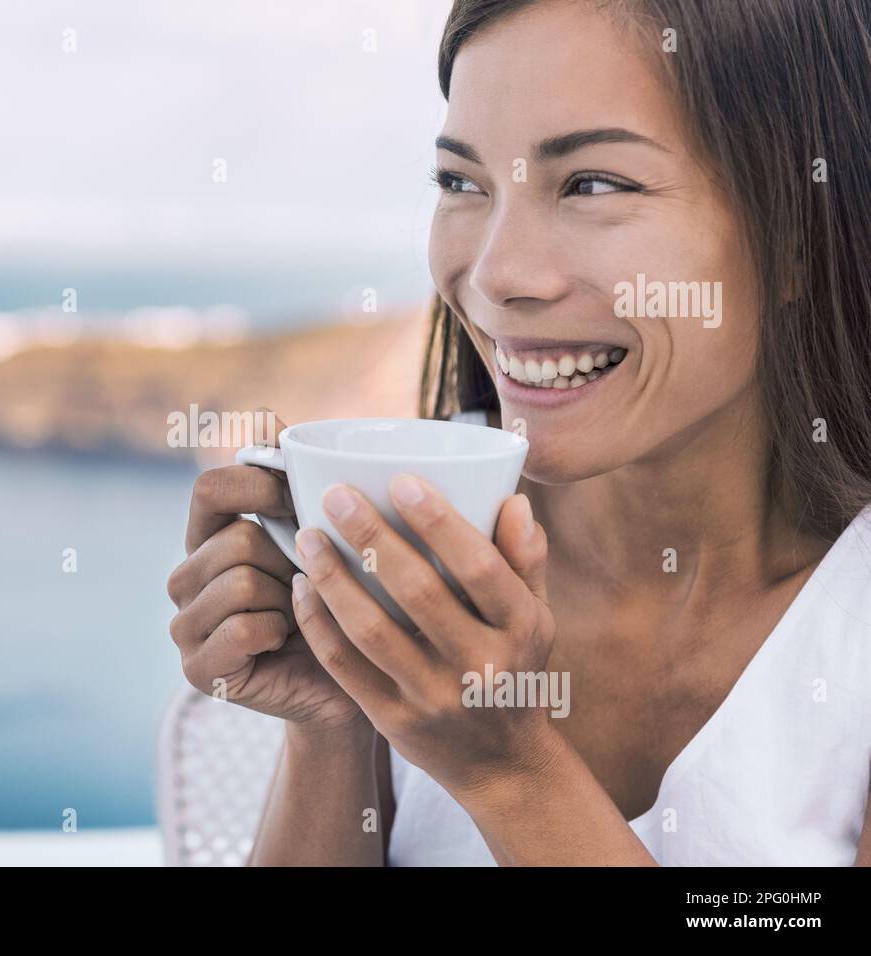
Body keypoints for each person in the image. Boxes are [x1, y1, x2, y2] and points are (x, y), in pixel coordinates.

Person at [166, 0, 871, 865]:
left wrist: (511, 771)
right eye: (462, 183)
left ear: (801, 233)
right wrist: (337, 713)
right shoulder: (411, 550)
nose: (498, 273)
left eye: (594, 185)